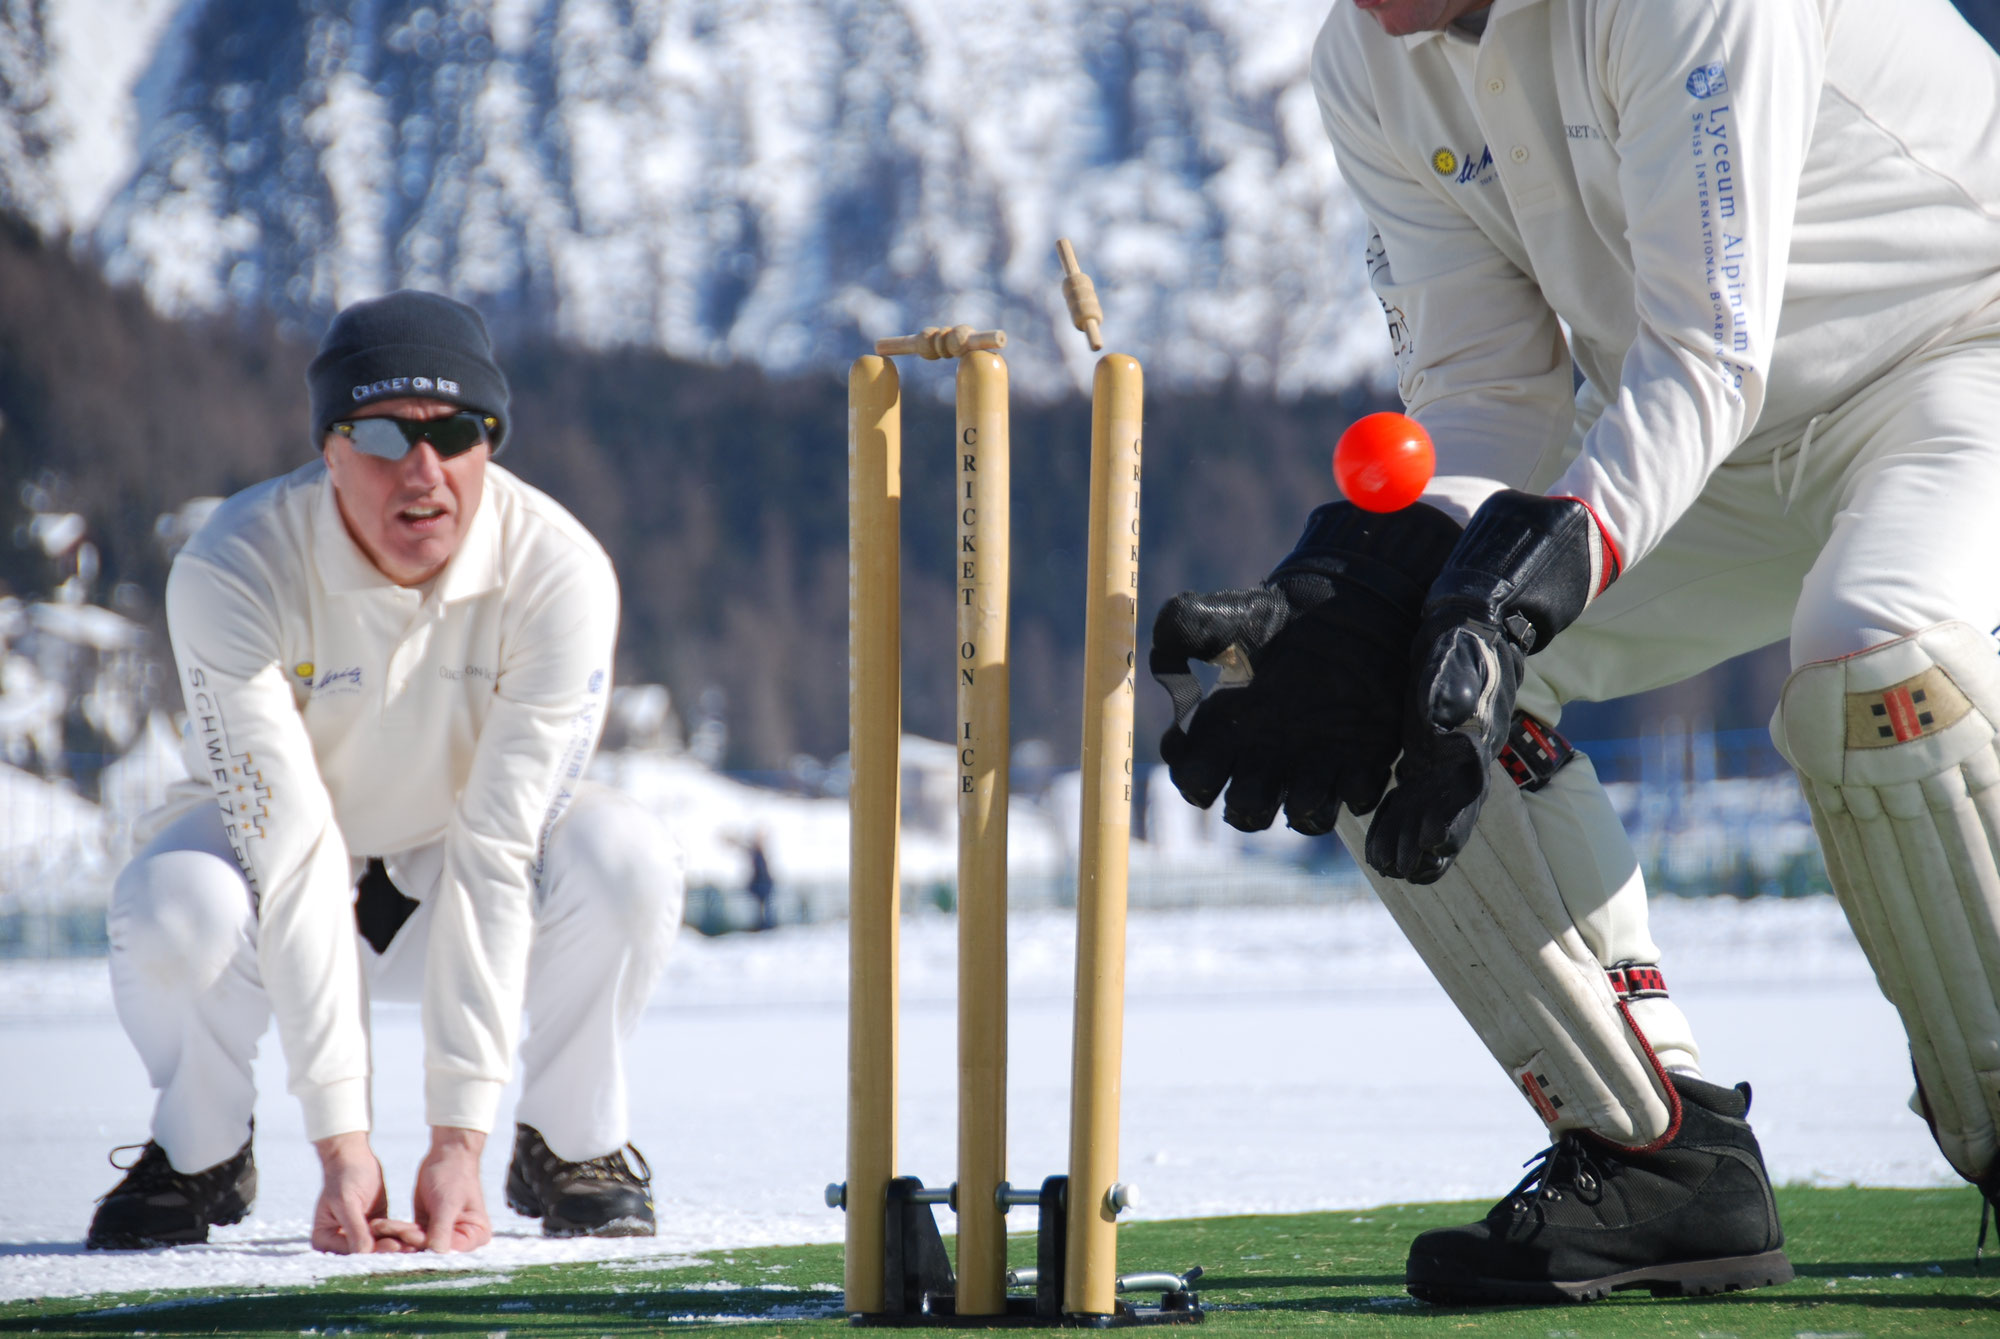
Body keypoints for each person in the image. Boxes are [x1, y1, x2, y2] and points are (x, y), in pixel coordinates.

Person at [1150, 0, 2000, 1304]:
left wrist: (1520, 579)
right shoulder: (1366, 60)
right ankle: (1659, 1155)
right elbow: (1489, 385)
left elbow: (1706, 349)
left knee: (1878, 655)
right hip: (1724, 446)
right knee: (1384, 679)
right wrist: (1364, 584)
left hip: (1959, 352)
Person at [88, 290, 685, 1254]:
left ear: (489, 443)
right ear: (328, 448)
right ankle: (200, 1148)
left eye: (455, 431)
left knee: (626, 859)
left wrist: (458, 1140)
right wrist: (342, 1147)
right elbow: (289, 844)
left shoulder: (560, 569)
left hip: (458, 882)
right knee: (171, 905)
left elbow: (500, 847)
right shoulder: (231, 567)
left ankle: (571, 1144)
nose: (424, 468)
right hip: (274, 883)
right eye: (381, 433)